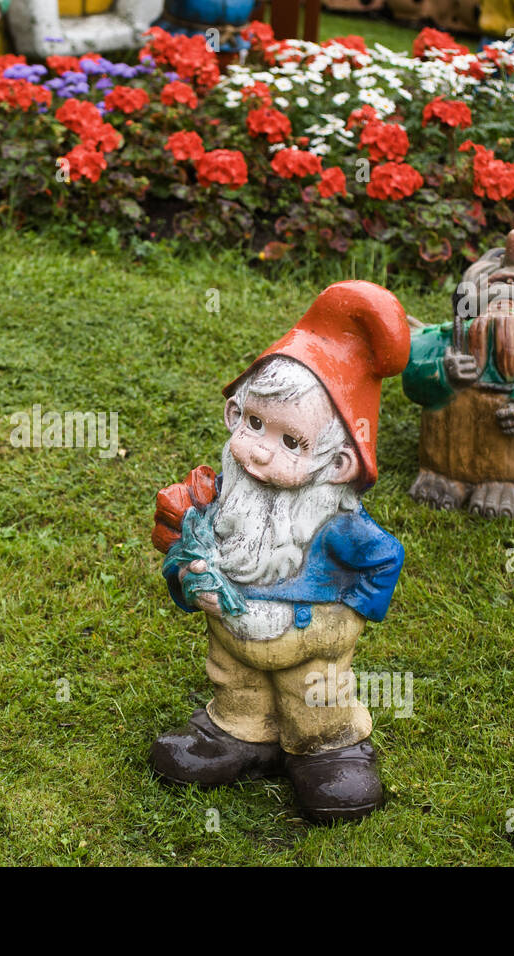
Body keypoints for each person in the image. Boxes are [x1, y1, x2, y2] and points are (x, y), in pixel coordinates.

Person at [150, 281, 411, 823]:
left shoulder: (334, 525)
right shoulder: (227, 500)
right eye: (252, 424)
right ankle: (241, 731)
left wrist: (350, 613)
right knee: (235, 679)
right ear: (233, 414)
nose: (259, 453)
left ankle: (329, 751)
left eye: (292, 442)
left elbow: (385, 557)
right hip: (231, 637)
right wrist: (185, 563)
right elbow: (190, 545)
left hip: (305, 641)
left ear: (336, 463)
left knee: (314, 697)